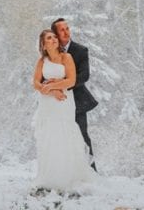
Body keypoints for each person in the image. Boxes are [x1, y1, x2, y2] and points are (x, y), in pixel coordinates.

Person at [32, 29, 95, 191]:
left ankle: (68, 176)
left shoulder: (66, 57)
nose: (53, 39)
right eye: (49, 38)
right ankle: (49, 176)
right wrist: (51, 91)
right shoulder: (42, 61)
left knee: (64, 132)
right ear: (44, 44)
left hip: (64, 101)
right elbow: (36, 84)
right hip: (48, 102)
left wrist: (53, 85)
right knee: (49, 134)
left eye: (54, 37)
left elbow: (71, 80)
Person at [51, 17, 98, 171]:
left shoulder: (81, 50)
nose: (66, 32)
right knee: (59, 137)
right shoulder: (51, 51)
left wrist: (63, 85)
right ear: (55, 34)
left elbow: (84, 76)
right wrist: (53, 89)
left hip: (77, 101)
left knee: (82, 135)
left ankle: (91, 172)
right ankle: (64, 171)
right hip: (56, 101)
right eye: (62, 30)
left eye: (67, 28)